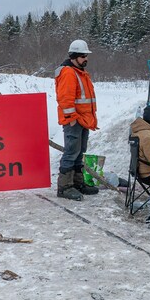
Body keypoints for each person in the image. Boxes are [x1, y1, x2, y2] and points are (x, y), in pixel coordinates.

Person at [54, 39, 99, 200]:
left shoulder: (79, 72)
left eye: (86, 56)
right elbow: (65, 99)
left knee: (79, 152)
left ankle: (77, 183)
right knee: (71, 152)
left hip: (82, 120)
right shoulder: (68, 72)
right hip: (74, 121)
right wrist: (72, 119)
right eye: (83, 56)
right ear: (74, 56)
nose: (85, 59)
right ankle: (64, 187)